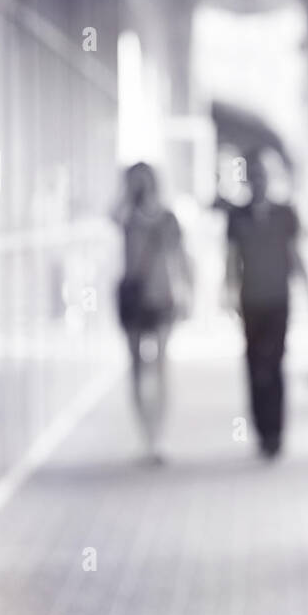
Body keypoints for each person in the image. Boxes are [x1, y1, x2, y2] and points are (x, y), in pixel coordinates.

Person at [221, 149, 308, 459]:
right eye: (254, 176)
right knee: (255, 365)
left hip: (278, 298)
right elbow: (230, 260)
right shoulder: (236, 217)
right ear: (248, 181)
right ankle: (261, 430)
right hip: (250, 301)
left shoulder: (285, 214)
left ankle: (276, 433)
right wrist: (227, 294)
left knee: (276, 364)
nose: (259, 182)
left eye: (263, 176)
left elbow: (296, 255)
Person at [113, 162, 193, 463]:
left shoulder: (167, 218)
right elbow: (112, 216)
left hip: (161, 298)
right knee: (135, 368)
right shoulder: (127, 217)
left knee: (160, 367)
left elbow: (181, 258)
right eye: (135, 182)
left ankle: (158, 437)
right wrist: (127, 195)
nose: (141, 188)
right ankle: (144, 436)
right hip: (133, 299)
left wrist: (187, 292)